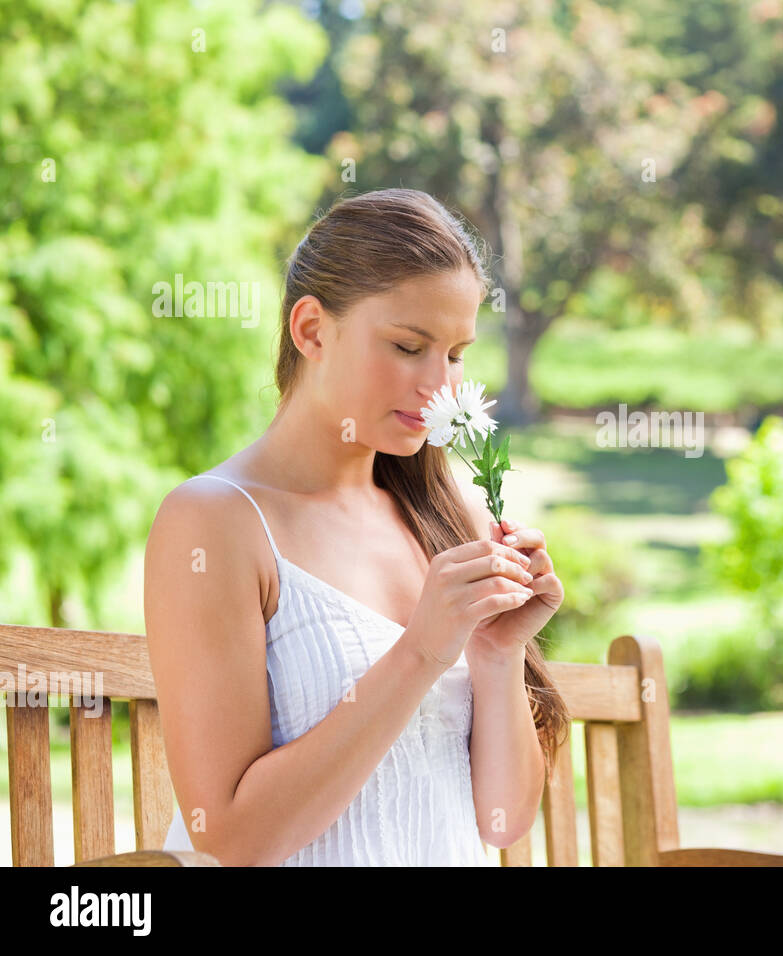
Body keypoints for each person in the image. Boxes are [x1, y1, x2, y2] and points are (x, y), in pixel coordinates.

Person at [144, 188, 568, 866]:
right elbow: (229, 837)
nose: (439, 387)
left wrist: (497, 653)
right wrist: (421, 651)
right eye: (408, 346)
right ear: (311, 330)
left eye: (456, 355)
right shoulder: (215, 522)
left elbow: (501, 822)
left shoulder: (449, 514)